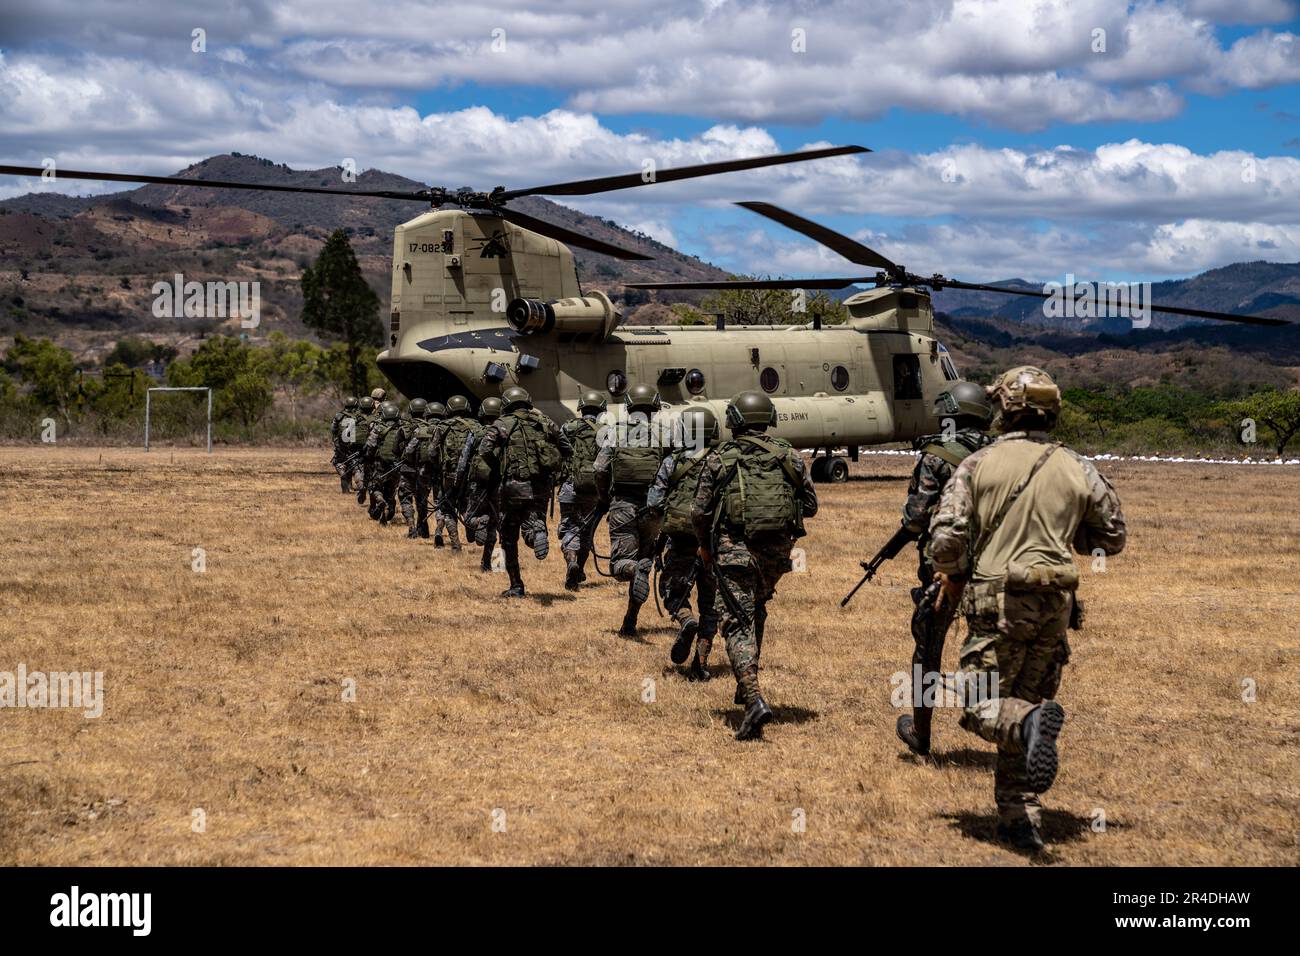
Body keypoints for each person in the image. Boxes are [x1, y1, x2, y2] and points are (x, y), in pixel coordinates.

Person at [928, 366, 1126, 851]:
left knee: (981, 704)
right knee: (1025, 697)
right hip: (1055, 602)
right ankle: (1020, 817)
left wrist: (955, 574)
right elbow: (1112, 537)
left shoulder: (978, 464)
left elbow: (945, 542)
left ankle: (1031, 727)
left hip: (997, 601)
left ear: (1003, 408)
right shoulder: (1077, 466)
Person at [691, 391, 817, 741]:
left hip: (735, 553)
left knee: (736, 622)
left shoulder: (720, 458)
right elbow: (810, 506)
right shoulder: (789, 455)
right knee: (756, 609)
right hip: (776, 555)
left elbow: (699, 511)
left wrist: (705, 545)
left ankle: (753, 698)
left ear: (735, 420)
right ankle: (745, 681)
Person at [895, 381, 995, 756]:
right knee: (992, 644)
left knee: (928, 648)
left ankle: (921, 732)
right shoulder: (1002, 455)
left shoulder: (936, 456)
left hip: (943, 566)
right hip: (995, 563)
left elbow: (916, 517)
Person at [647, 405, 720, 679]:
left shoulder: (672, 461)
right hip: (713, 543)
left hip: (680, 540)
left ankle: (686, 619)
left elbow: (654, 502)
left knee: (673, 591)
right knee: (711, 604)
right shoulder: (722, 461)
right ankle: (700, 663)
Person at [472, 386, 568, 597]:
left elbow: (484, 449)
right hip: (541, 488)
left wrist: (498, 466)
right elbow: (566, 446)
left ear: (506, 404)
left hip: (512, 487)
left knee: (508, 536)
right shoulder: (544, 422)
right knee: (533, 520)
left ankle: (516, 585)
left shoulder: (501, 424)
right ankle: (537, 531)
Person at [593, 384, 667, 635]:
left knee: (621, 566)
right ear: (655, 407)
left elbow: (600, 469)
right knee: (645, 559)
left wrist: (604, 498)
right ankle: (630, 622)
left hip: (623, 505)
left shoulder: (614, 433)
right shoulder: (664, 435)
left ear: (628, 406)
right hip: (654, 510)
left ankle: (636, 570)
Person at [558, 391, 606, 590]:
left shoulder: (568, 428)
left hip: (570, 487)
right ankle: (579, 572)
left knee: (569, 528)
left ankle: (571, 562)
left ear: (581, 408)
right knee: (586, 531)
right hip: (593, 490)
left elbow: (558, 452)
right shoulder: (605, 432)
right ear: (601, 410)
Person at [457, 397, 504, 572]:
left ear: (482, 413)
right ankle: (491, 563)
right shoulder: (505, 434)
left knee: (470, 518)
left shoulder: (476, 433)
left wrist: (458, 482)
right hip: (499, 484)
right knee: (497, 524)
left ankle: (480, 521)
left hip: (478, 483)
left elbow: (464, 460)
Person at [433, 395, 476, 550]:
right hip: (470, 475)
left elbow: (432, 452)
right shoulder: (475, 426)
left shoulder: (442, 427)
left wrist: (438, 467)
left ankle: (456, 544)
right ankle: (471, 526)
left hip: (449, 475)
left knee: (448, 508)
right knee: (466, 504)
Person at [363, 401, 409, 524]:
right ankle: (386, 514)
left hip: (380, 463)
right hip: (396, 465)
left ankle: (379, 500)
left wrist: (368, 459)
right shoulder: (403, 428)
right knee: (391, 490)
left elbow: (371, 446)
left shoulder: (378, 427)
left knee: (375, 487)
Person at [397, 398, 429, 538]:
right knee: (422, 498)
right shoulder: (430, 428)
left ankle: (411, 526)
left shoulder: (404, 428)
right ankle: (423, 528)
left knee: (405, 497)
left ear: (410, 410)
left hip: (407, 469)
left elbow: (395, 449)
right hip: (424, 470)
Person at [351, 396, 378, 506]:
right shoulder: (376, 420)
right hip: (372, 451)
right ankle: (373, 495)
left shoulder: (353, 419)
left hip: (356, 451)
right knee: (371, 473)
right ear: (372, 407)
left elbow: (344, 437)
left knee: (358, 470)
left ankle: (361, 486)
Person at [331, 396, 360, 493]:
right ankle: (355, 485)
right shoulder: (358, 416)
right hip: (354, 446)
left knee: (342, 465)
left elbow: (333, 430)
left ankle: (346, 489)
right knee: (353, 465)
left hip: (341, 446)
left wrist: (336, 443)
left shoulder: (338, 416)